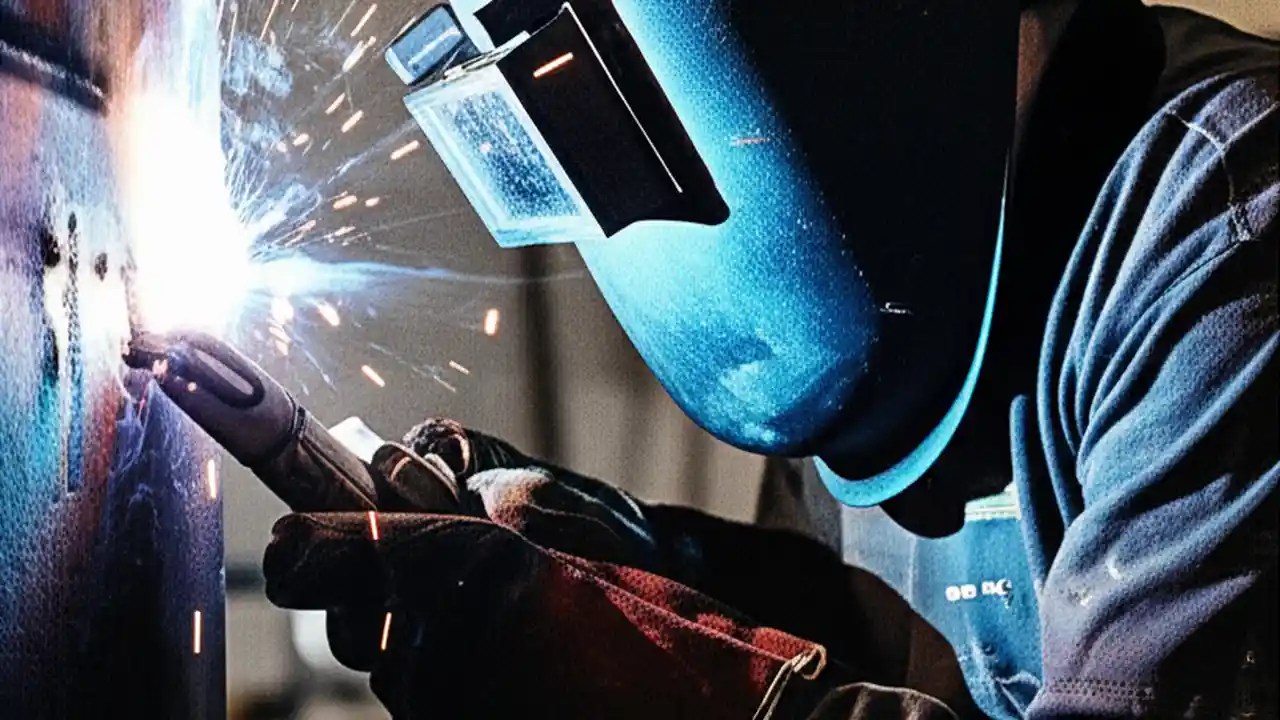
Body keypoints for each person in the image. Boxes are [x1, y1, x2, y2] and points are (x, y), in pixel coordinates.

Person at [261, 0, 1279, 717]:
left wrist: (706, 700)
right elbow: (906, 660)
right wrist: (648, 590)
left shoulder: (1228, 219)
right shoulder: (878, 322)